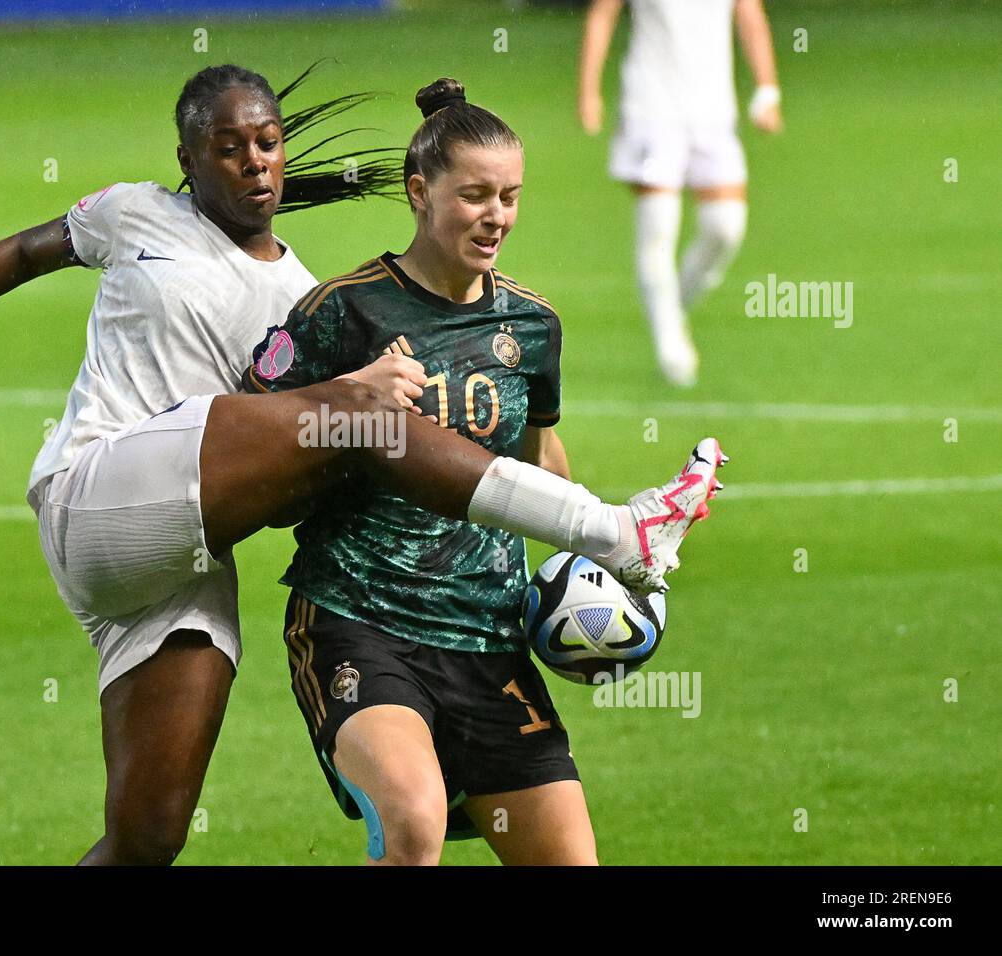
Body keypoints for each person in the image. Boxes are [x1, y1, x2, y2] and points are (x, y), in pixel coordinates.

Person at [0, 65, 724, 866]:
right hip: (99, 489)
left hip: (184, 560)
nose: (253, 162)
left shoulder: (304, 299)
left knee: (146, 840)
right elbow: (22, 253)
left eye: (266, 142)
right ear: (187, 158)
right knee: (368, 408)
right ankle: (618, 530)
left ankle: (523, 630)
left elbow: (299, 492)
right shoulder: (136, 213)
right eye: (227, 148)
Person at [245, 78, 707, 865]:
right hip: (360, 620)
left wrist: (609, 562)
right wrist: (350, 397)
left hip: (489, 636)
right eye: (475, 196)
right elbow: (246, 433)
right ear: (420, 193)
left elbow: (542, 465)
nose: (496, 216)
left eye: (510, 197)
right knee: (414, 825)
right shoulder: (345, 312)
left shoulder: (531, 325)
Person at [578, 0, 782, 386]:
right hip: (650, 106)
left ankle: (672, 306)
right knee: (658, 227)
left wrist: (767, 88)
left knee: (725, 228)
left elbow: (750, 14)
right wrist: (589, 91)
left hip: (713, 109)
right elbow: (602, 14)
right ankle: (670, 344)